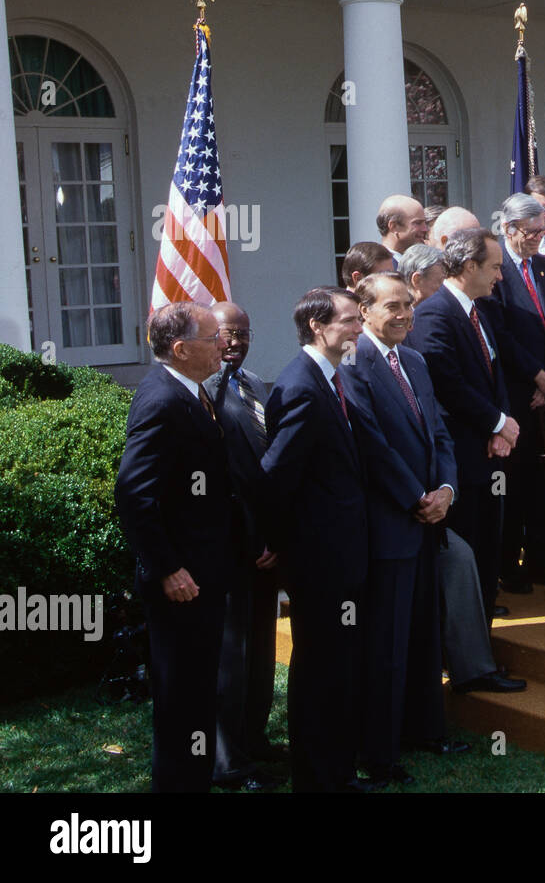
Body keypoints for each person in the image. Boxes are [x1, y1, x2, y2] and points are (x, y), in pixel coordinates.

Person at [342, 273, 478, 786]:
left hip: (428, 523)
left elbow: (439, 434)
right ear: (366, 310)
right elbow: (371, 443)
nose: (404, 315)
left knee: (424, 634)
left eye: (409, 307)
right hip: (389, 526)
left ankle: (427, 728)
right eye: (393, 306)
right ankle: (379, 750)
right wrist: (414, 497)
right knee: (386, 641)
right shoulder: (354, 364)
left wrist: (445, 491)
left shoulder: (415, 361)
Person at [115, 302, 234, 792]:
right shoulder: (163, 399)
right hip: (180, 584)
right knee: (181, 698)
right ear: (182, 349)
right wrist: (167, 568)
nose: (223, 346)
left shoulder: (193, 393)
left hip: (203, 572)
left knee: (198, 693)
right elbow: (133, 492)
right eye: (212, 339)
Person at [260, 287, 369, 792]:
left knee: (336, 663)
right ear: (318, 328)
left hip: (338, 550)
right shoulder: (302, 386)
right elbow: (276, 475)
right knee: (321, 665)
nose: (357, 329)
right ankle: (319, 775)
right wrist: (277, 543)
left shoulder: (328, 377)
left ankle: (335, 769)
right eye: (349, 321)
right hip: (320, 558)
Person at [408, 227, 518, 622]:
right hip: (461, 460)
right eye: (494, 267)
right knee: (468, 552)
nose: (500, 276)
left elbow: (494, 369)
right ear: (469, 266)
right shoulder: (433, 314)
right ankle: (466, 657)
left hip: (488, 453)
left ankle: (482, 642)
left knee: (488, 550)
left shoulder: (478, 310)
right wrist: (497, 422)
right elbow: (446, 381)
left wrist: (501, 426)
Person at [203, 302, 282, 792]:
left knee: (260, 651)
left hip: (265, 548)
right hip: (227, 550)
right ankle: (227, 760)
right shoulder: (202, 395)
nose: (235, 342)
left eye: (243, 333)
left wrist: (274, 535)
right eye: (227, 334)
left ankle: (254, 739)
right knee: (228, 659)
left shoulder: (256, 386)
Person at [490, 192, 545, 591]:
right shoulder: (496, 269)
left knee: (544, 482)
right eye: (532, 231)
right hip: (514, 393)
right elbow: (499, 335)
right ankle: (510, 565)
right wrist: (536, 376)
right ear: (509, 229)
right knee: (513, 483)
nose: (541, 236)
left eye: (544, 229)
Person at [376, 194, 430, 268]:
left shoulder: (415, 264)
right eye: (418, 223)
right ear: (394, 227)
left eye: (425, 223)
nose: (425, 229)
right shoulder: (379, 268)